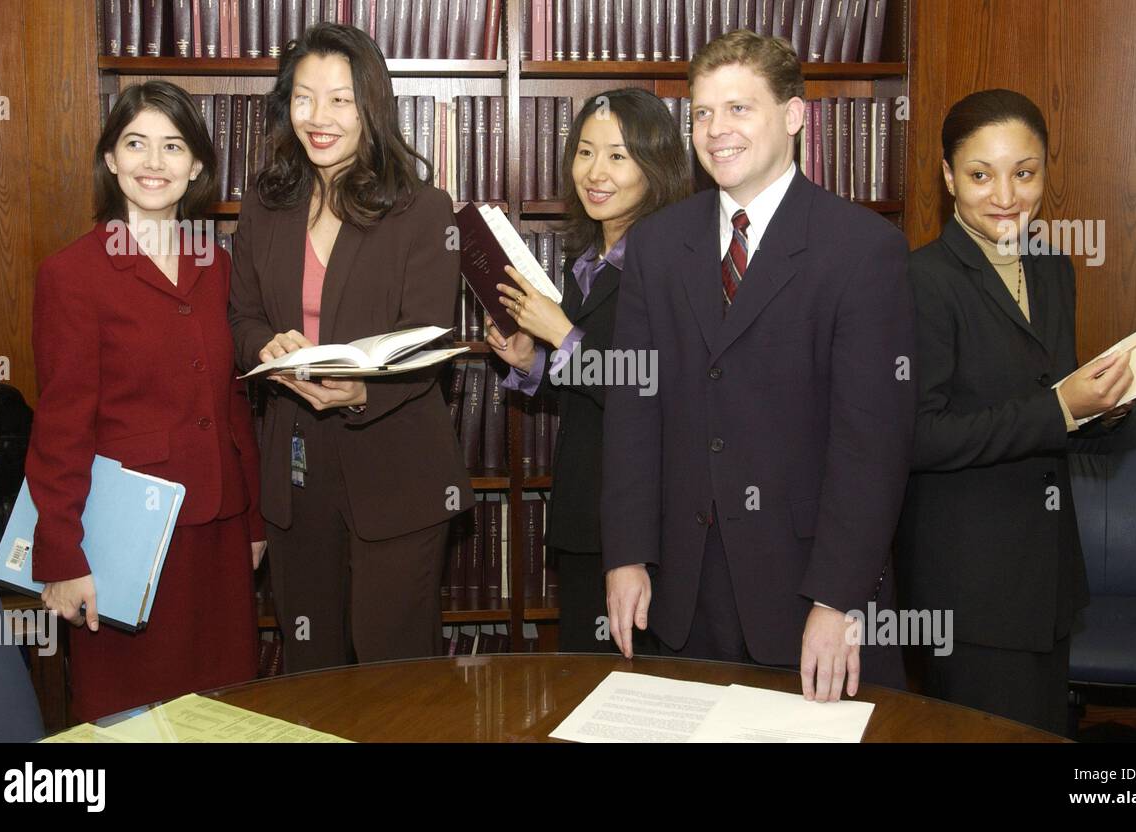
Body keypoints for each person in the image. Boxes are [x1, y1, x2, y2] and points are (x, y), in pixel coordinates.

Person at [601, 30, 916, 700]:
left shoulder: (864, 249)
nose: (717, 131)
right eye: (704, 114)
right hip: (683, 590)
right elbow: (632, 414)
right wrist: (627, 554)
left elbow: (872, 449)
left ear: (795, 116)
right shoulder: (656, 245)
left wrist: (837, 601)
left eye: (740, 109)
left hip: (805, 588)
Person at [228, 23, 473, 672]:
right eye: (304, 98)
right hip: (298, 467)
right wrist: (268, 344)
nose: (319, 117)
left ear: (371, 104)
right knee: (311, 669)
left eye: (340, 99)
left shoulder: (422, 210)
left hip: (397, 469)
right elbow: (242, 317)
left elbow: (432, 338)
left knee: (393, 676)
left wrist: (365, 387)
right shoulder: (265, 204)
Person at [894, 89, 1136, 735]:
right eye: (980, 175)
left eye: (1025, 173)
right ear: (947, 178)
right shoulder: (921, 279)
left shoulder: (1054, 266)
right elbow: (917, 437)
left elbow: (1055, 407)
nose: (1006, 195)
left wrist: (1107, 408)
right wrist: (1061, 407)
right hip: (969, 581)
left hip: (1048, 571)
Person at [29, 80, 264, 722]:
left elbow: (235, 406)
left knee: (223, 720)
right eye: (136, 144)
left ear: (196, 167)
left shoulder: (218, 266)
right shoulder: (71, 275)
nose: (154, 163)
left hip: (217, 536)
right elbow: (60, 430)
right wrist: (61, 556)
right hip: (125, 543)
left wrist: (254, 522)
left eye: (172, 147)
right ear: (111, 159)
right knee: (133, 721)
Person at [485, 89, 689, 652]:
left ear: (657, 167)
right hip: (581, 510)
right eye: (584, 152)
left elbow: (648, 385)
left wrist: (561, 333)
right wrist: (531, 359)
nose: (595, 173)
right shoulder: (587, 260)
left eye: (618, 157)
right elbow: (585, 381)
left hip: (646, 523)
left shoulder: (675, 263)